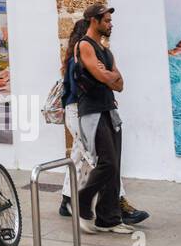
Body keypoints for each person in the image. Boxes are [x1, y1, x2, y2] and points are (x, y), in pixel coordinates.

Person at [58, 15, 148, 225]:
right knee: (101, 160)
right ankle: (117, 202)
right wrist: (107, 77)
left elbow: (115, 81)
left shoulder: (83, 56)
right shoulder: (79, 58)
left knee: (81, 156)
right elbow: (106, 80)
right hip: (80, 111)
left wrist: (109, 77)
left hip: (87, 111)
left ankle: (67, 199)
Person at [74, 4, 131, 235]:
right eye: (106, 20)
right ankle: (82, 200)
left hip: (109, 109)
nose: (110, 24)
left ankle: (108, 218)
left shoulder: (106, 51)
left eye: (110, 20)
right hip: (92, 111)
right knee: (106, 162)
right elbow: (102, 75)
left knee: (114, 165)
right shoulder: (85, 46)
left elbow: (120, 83)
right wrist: (109, 76)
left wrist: (110, 77)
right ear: (93, 21)